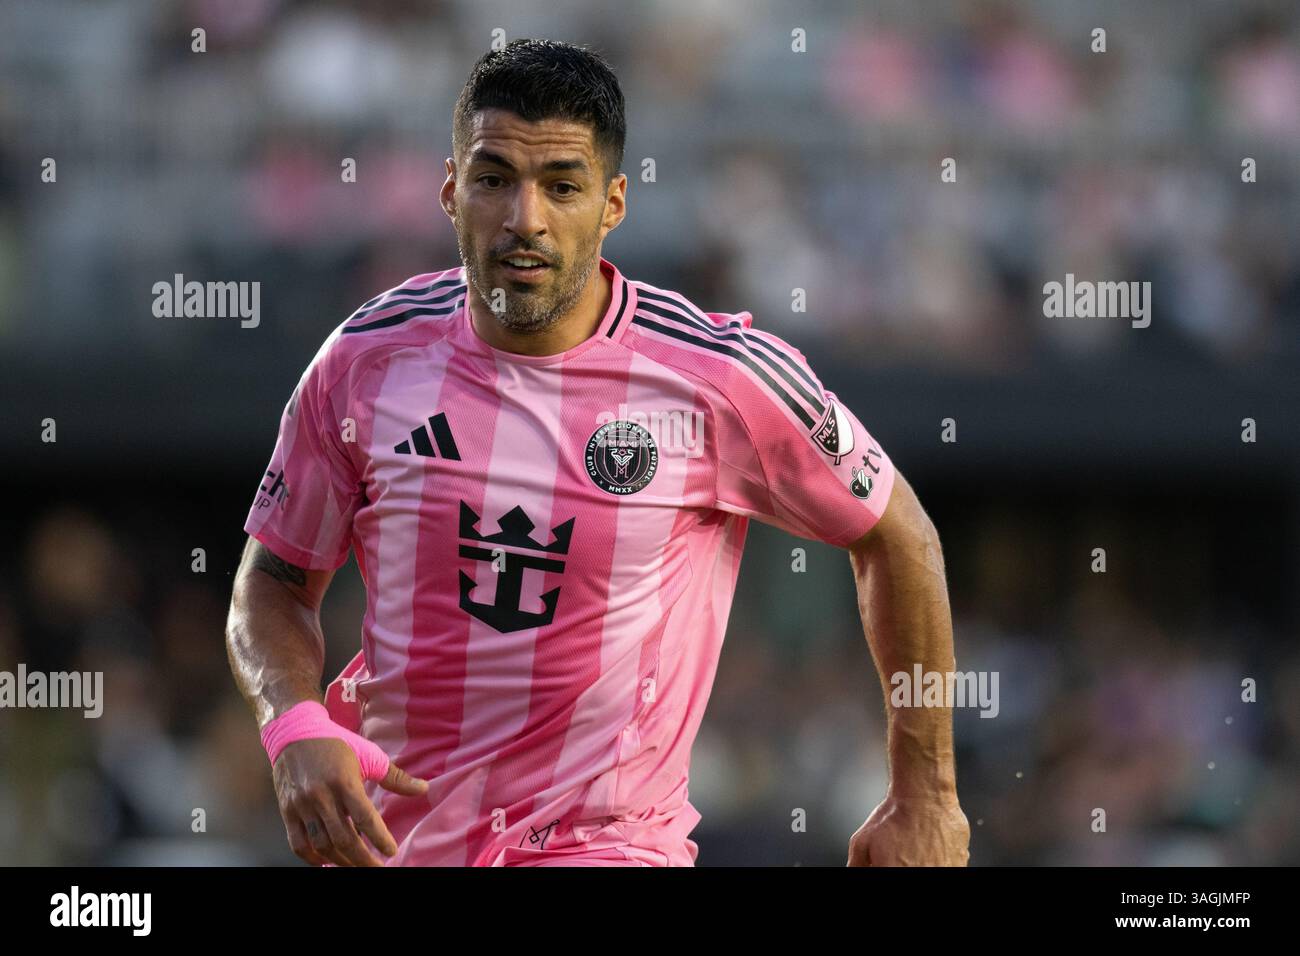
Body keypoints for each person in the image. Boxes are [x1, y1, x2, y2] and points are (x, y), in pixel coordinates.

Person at [226, 38, 969, 867]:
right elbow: (273, 581)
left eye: (562, 187)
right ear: (449, 189)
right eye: (494, 178)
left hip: (608, 846)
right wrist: (293, 724)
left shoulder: (715, 378)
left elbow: (898, 534)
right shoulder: (365, 361)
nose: (524, 219)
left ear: (613, 204)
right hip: (396, 845)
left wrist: (925, 795)